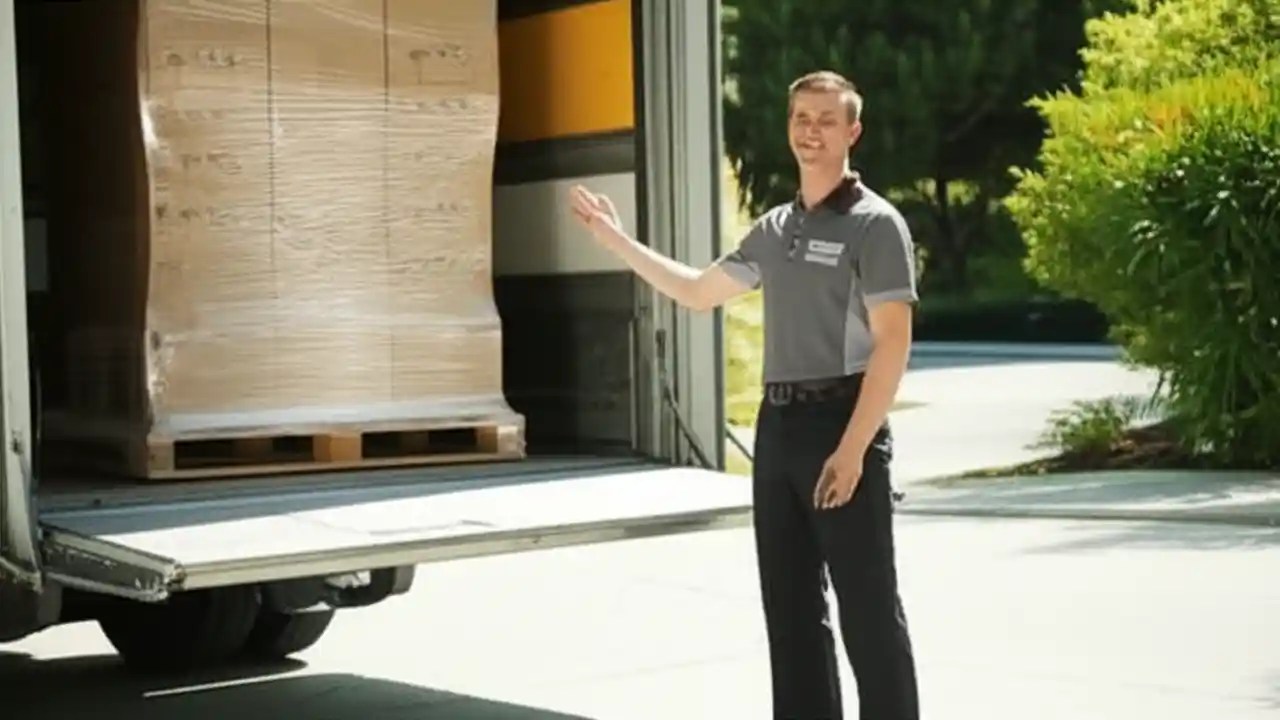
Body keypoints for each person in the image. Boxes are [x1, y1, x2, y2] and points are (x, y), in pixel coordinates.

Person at [568, 70, 920, 719]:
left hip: (842, 425)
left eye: (825, 119)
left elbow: (893, 344)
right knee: (791, 614)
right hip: (778, 429)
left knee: (868, 615)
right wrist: (614, 241)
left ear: (852, 131)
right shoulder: (775, 228)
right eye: (801, 119)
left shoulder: (877, 226)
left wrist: (852, 452)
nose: (811, 131)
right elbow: (699, 292)